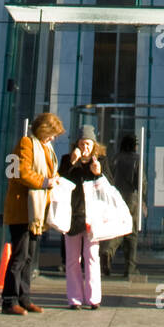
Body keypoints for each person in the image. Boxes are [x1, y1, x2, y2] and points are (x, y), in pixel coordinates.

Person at [1, 111, 64, 316]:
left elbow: (48, 172)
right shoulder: (26, 144)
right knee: (19, 256)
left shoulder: (46, 148)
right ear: (43, 130)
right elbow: (21, 172)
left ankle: (24, 298)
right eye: (52, 133)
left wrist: (55, 179)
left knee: (29, 257)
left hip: (36, 211)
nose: (53, 138)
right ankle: (9, 301)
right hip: (23, 209)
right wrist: (46, 182)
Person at [58, 125, 109, 309]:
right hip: (72, 216)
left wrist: (98, 173)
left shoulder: (100, 161)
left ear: (94, 144)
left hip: (92, 217)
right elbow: (60, 183)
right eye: (81, 143)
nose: (85, 147)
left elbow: (108, 187)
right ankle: (75, 299)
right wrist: (72, 163)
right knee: (72, 259)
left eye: (88, 143)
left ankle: (94, 298)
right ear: (76, 144)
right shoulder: (67, 160)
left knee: (92, 257)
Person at [101, 133, 140, 279]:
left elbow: (109, 177)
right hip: (132, 199)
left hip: (115, 198)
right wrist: (143, 201)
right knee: (132, 233)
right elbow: (141, 182)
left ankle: (108, 251)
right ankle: (130, 268)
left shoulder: (115, 158)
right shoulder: (137, 159)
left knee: (116, 229)